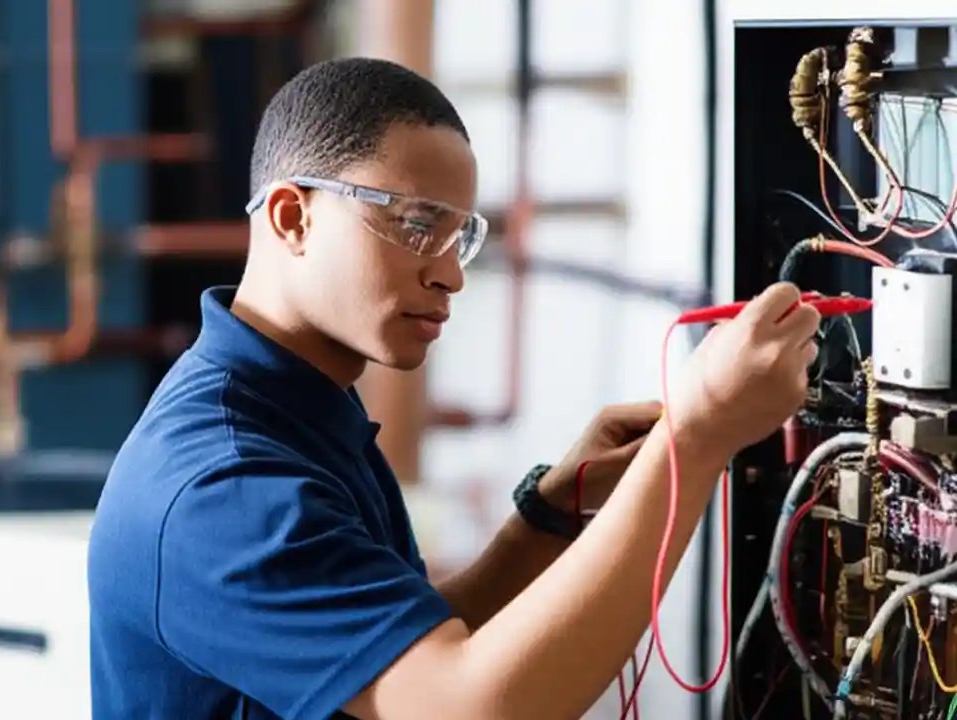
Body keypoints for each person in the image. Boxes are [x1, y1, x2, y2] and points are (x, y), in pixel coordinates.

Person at [87, 57, 818, 720]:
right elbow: (465, 709)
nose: (451, 274)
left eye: (460, 236)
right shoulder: (228, 481)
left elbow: (391, 656)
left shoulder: (293, 409)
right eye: (414, 226)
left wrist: (548, 516)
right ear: (292, 217)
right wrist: (696, 440)